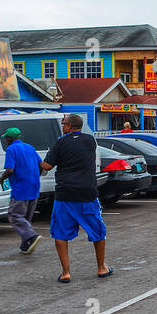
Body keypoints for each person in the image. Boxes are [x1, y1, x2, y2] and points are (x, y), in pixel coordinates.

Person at [40, 113, 111, 282]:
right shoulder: (90, 141)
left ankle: (66, 273)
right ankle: (101, 268)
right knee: (98, 231)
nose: (62, 126)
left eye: (64, 123)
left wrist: (38, 162)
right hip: (87, 194)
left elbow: (47, 166)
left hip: (65, 194)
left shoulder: (60, 142)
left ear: (70, 126)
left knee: (60, 233)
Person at [0, 127, 42, 256]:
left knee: (15, 216)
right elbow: (41, 165)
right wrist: (35, 177)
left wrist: (2, 178)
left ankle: (32, 236)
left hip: (21, 188)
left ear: (10, 138)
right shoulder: (30, 147)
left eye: (6, 137)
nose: (5, 139)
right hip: (34, 186)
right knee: (26, 219)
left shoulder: (11, 149)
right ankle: (26, 245)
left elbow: (10, 170)